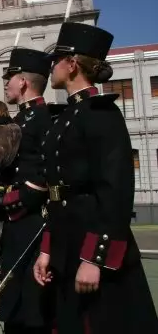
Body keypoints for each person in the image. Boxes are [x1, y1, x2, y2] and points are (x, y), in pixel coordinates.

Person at [33, 22, 158, 334]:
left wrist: (95, 260)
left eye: (56, 60)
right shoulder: (65, 118)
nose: (51, 67)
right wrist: (47, 248)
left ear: (72, 64)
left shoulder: (101, 114)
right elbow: (56, 192)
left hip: (91, 240)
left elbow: (115, 190)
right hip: (65, 241)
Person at [0, 48, 55, 334]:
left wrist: (9, 200)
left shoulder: (43, 119)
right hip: (13, 225)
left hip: (31, 224)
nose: (5, 83)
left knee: (32, 312)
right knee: (14, 310)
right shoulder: (17, 122)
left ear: (23, 82)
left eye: (9, 77)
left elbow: (45, 175)